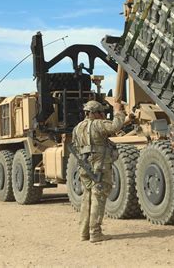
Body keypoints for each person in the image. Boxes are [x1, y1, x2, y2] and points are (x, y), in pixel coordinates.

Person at [72, 100, 126, 243]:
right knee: (98, 196)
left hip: (84, 167)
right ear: (94, 113)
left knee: (87, 196)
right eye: (101, 112)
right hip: (99, 166)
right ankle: (95, 232)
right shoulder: (98, 124)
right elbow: (115, 126)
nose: (103, 115)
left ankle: (84, 233)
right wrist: (118, 111)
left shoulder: (77, 128)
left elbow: (75, 145)